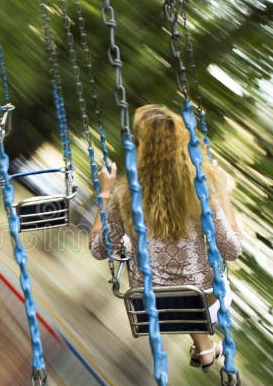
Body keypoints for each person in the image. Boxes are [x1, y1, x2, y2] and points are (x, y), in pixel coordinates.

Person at [90, 104, 242, 371]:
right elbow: (232, 250)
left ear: (138, 147)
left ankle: (204, 348)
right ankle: (203, 346)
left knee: (166, 277)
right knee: (198, 280)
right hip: (201, 300)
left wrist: (105, 192)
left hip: (148, 303)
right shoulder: (200, 190)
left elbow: (99, 249)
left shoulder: (124, 195)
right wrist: (222, 191)